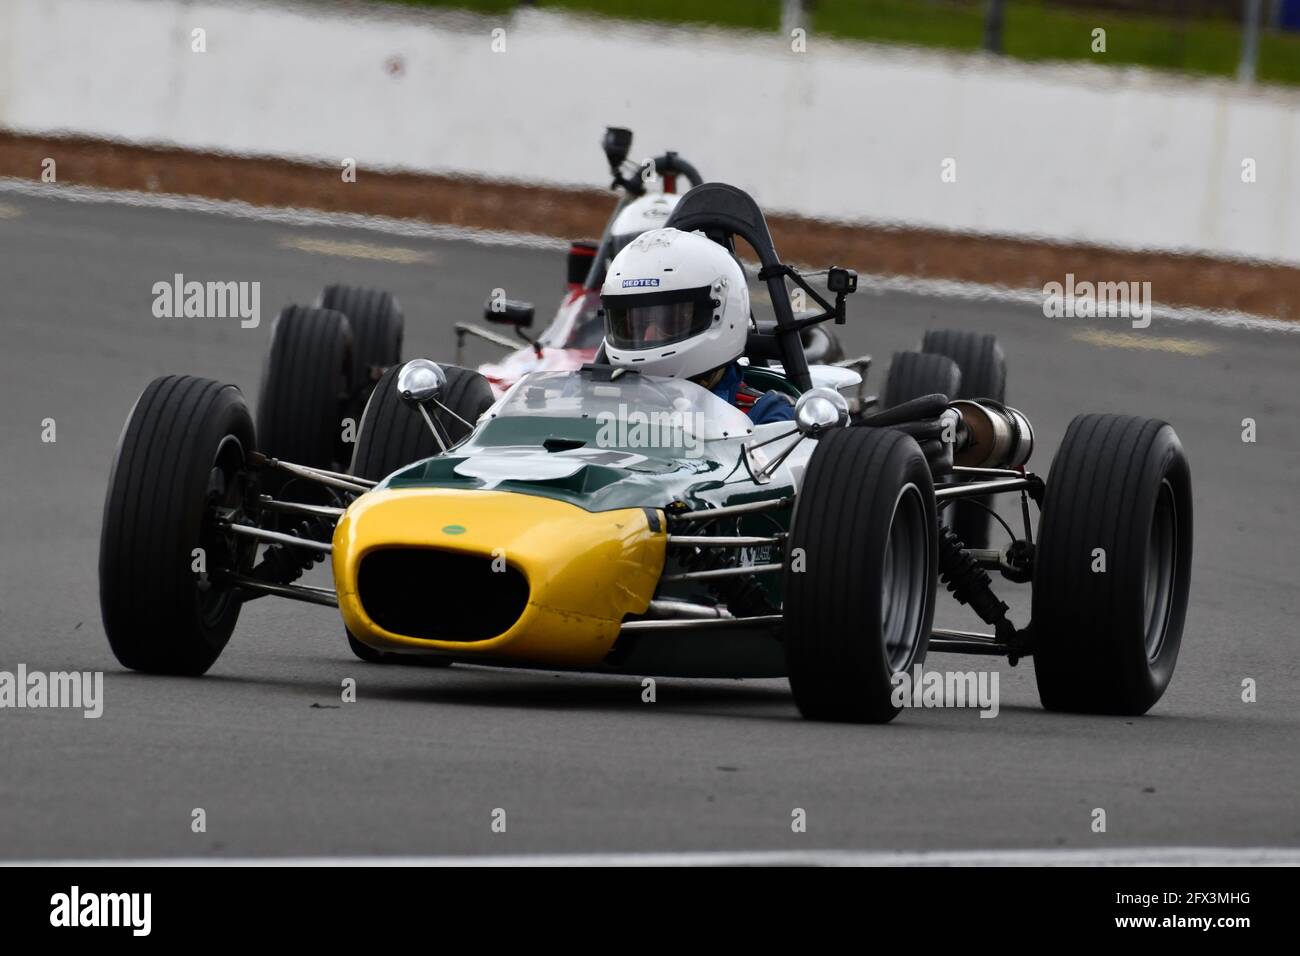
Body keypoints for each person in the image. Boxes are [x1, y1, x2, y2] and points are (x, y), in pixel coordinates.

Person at [599, 227, 796, 423]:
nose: (647, 338)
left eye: (669, 322)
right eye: (635, 326)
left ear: (720, 312)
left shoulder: (764, 417)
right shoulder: (597, 404)